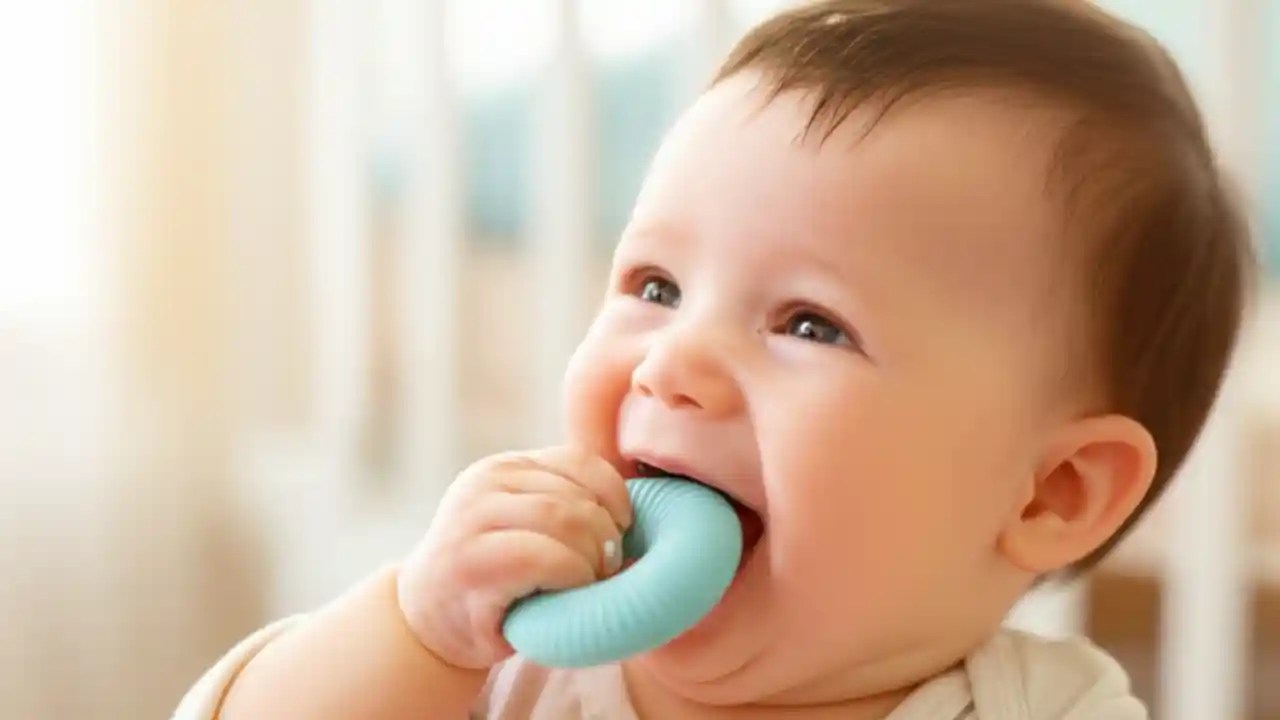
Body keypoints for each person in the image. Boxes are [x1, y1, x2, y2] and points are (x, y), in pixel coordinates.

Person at [173, 1, 1256, 717]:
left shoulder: (1050, 711)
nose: (672, 360)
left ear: (1051, 491)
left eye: (807, 324)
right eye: (654, 287)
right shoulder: (518, 653)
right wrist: (418, 623)